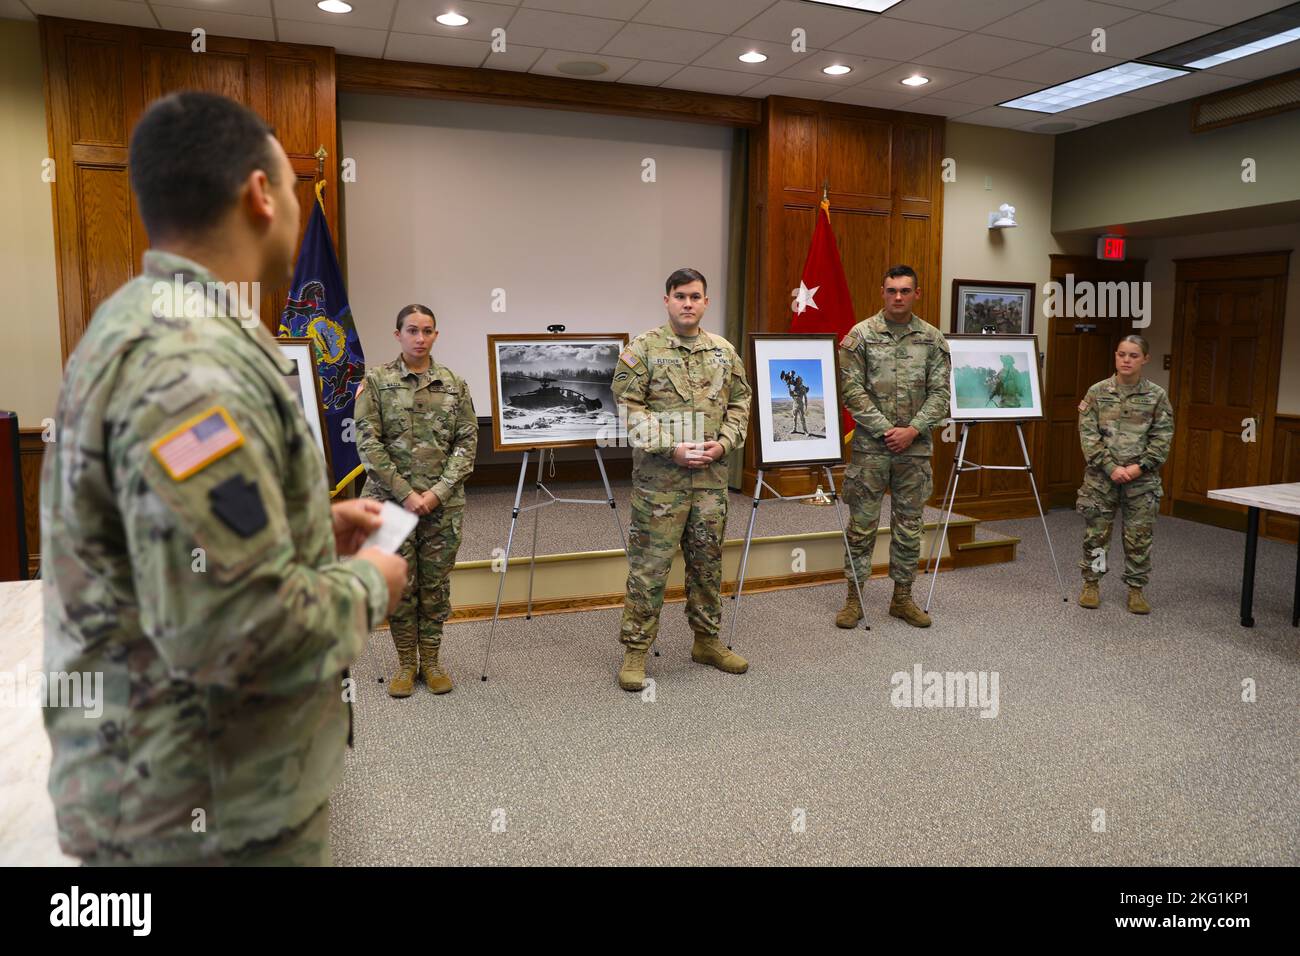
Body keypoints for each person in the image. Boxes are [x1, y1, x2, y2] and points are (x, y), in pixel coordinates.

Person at [40, 91, 407, 866]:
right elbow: (237, 631)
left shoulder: (146, 320)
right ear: (260, 193)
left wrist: (308, 525)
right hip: (202, 806)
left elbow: (171, 542)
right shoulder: (193, 365)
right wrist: (372, 582)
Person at [611, 268, 751, 691]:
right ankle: (636, 651)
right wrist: (671, 446)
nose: (687, 303)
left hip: (710, 482)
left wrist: (725, 444)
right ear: (667, 300)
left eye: (695, 296)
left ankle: (706, 641)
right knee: (649, 569)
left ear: (706, 302)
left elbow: (741, 403)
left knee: (707, 566)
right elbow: (627, 407)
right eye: (680, 296)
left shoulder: (724, 352)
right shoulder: (643, 351)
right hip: (660, 485)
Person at [354, 304, 477, 696]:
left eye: (427, 331)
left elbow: (467, 441)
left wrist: (436, 493)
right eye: (412, 330)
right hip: (390, 502)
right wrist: (406, 494)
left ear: (436, 335)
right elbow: (368, 442)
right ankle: (406, 664)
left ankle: (434, 661)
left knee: (436, 585)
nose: (420, 338)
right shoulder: (375, 382)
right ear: (398, 335)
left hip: (442, 505)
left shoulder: (455, 384)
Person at [837, 265, 950, 629]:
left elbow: (941, 394)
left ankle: (902, 598)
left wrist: (912, 430)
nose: (897, 297)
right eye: (891, 290)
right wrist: (888, 430)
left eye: (904, 290)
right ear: (882, 293)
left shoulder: (933, 340)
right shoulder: (861, 336)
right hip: (871, 448)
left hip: (914, 450)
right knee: (862, 525)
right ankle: (854, 598)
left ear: (917, 293)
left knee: (909, 525)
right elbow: (850, 391)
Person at [1076, 334, 1173, 613]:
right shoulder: (1097, 392)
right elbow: (1088, 435)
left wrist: (1138, 467)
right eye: (1121, 354)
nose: (1126, 360)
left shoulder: (1156, 396)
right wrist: (1110, 467)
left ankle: (1136, 590)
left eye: (1133, 355)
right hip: (1101, 479)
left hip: (1141, 480)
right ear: (1115, 357)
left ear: (1145, 359)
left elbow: (1162, 438)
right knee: (1096, 535)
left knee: (1138, 537)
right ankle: (1092, 583)